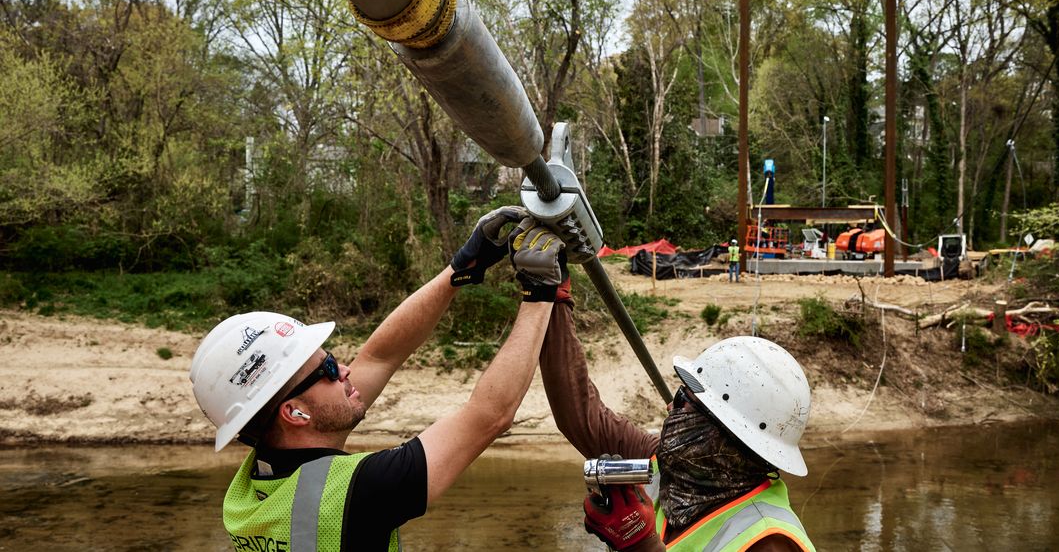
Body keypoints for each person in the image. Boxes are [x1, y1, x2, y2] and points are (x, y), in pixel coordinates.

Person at [190, 208, 568, 551]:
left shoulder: (247, 491)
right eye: (327, 371)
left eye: (332, 359)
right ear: (295, 413)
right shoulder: (358, 492)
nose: (346, 370)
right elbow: (489, 415)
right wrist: (540, 293)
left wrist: (460, 270)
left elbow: (380, 357)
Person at [520, 233, 817, 552]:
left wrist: (640, 544)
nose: (671, 411)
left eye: (683, 401)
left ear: (721, 439)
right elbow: (579, 415)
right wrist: (550, 294)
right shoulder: (670, 465)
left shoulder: (769, 541)